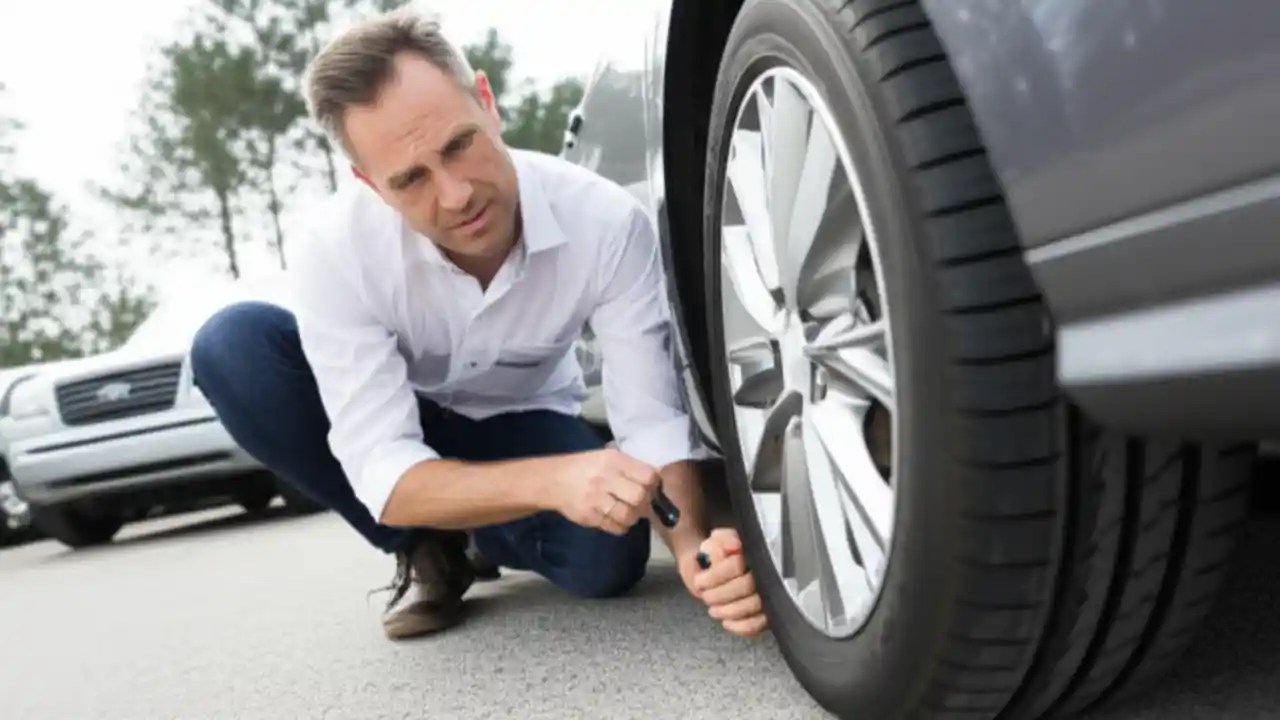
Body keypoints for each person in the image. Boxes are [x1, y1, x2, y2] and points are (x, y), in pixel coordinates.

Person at [189, 9, 768, 642]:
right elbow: (383, 468)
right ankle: (428, 546)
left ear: (486, 101)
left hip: (519, 425)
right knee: (231, 347)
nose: (457, 194)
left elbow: (650, 422)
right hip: (403, 431)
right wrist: (555, 482)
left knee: (611, 559)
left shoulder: (603, 222)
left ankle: (479, 523)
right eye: (411, 179)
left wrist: (692, 551)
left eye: (458, 144)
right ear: (370, 184)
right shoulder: (335, 250)